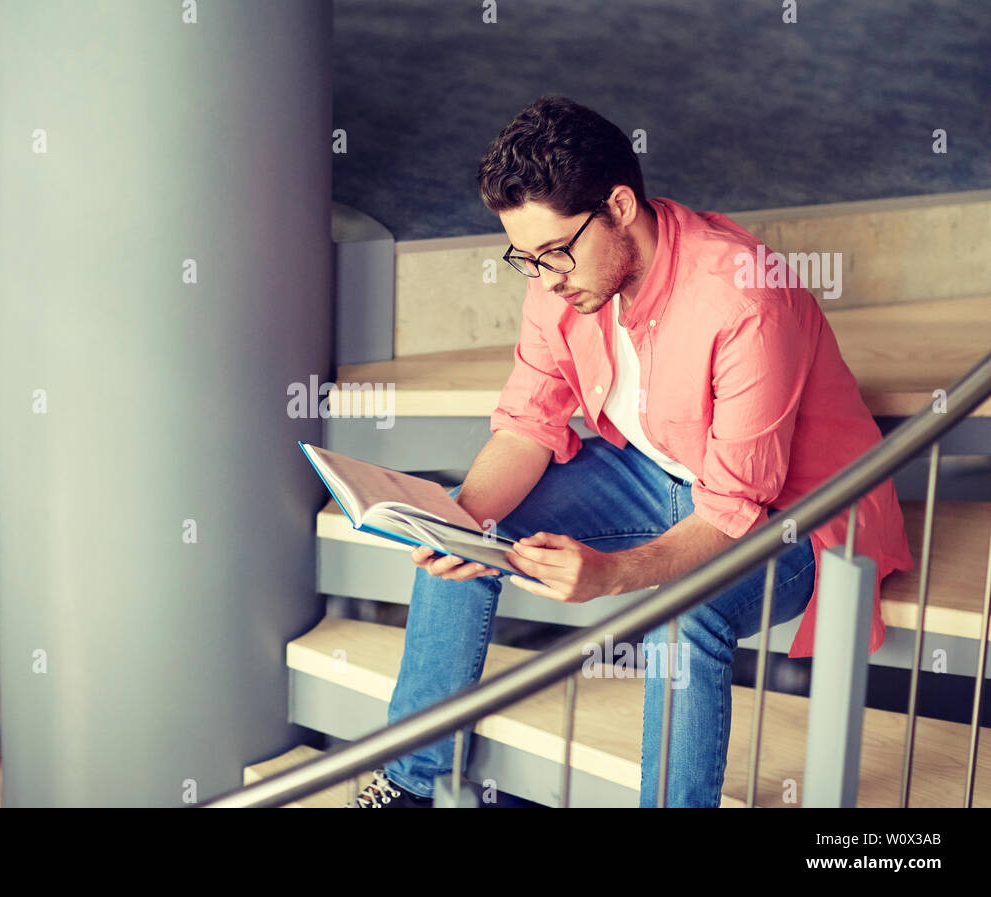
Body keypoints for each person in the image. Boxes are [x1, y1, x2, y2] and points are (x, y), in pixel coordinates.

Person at [347, 95, 913, 808]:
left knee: (681, 616)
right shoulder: (559, 279)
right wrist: (455, 520)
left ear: (618, 206)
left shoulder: (742, 298)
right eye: (525, 258)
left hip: (798, 511)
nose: (545, 277)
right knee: (469, 532)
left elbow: (733, 508)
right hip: (660, 469)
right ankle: (410, 783)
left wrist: (615, 574)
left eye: (555, 252)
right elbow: (527, 422)